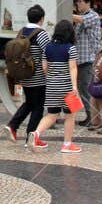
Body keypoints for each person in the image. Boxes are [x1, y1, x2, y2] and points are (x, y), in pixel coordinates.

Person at [32, 18, 81, 154]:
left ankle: (36, 134)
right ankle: (67, 144)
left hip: (51, 86)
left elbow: (44, 68)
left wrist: (53, 76)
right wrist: (74, 87)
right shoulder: (71, 48)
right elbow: (73, 69)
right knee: (70, 115)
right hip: (67, 87)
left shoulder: (47, 48)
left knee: (52, 114)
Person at [5, 5, 50, 144]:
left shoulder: (21, 32)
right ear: (41, 19)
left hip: (24, 75)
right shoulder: (41, 34)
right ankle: (31, 137)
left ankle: (13, 125)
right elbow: (48, 53)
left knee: (29, 103)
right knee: (38, 106)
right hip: (38, 77)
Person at [72, 0, 102, 126]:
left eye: (80, 2)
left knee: (85, 89)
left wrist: (64, 12)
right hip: (78, 59)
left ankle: (93, 117)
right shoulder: (80, 16)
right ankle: (88, 116)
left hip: (88, 59)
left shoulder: (93, 16)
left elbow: (80, 20)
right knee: (79, 88)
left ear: (88, 3)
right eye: (77, 2)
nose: (78, 4)